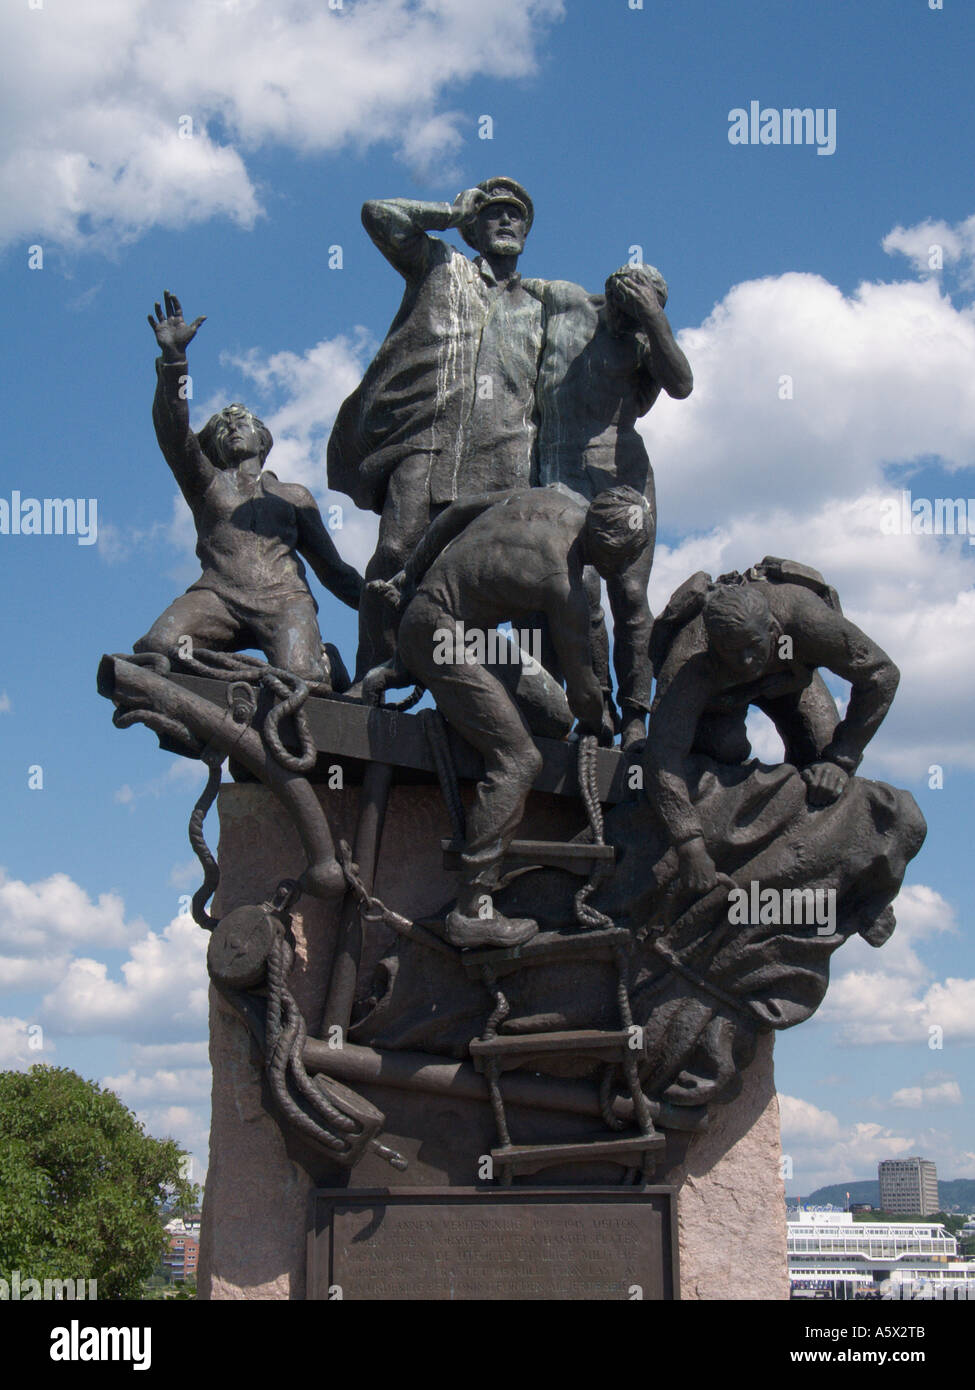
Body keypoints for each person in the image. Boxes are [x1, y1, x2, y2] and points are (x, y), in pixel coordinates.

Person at [361, 485, 653, 949]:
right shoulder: (564, 584)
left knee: (553, 718)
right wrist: (601, 727)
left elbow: (458, 508)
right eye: (621, 560)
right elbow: (583, 695)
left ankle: (409, 677)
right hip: (439, 632)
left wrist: (408, 577)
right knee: (519, 760)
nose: (619, 571)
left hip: (455, 627)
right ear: (607, 550)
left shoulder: (555, 498)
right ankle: (471, 910)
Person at [327, 178, 547, 677]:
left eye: (516, 215)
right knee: (397, 550)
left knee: (494, 587)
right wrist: (449, 212)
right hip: (429, 442)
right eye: (493, 213)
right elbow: (376, 211)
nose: (506, 221)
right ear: (474, 225)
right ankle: (373, 682)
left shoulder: (538, 307)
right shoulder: (439, 265)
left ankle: (499, 700)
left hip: (504, 461)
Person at [134, 292, 361, 683]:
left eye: (242, 422)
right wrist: (174, 362)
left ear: (263, 438)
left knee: (303, 678)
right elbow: (173, 434)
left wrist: (380, 601)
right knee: (160, 648)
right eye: (223, 425)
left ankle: (320, 664)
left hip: (285, 600)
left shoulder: (293, 496)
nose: (233, 427)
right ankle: (254, 683)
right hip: (218, 595)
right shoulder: (206, 483)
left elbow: (333, 570)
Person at [643, 561, 900, 895]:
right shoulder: (691, 662)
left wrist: (841, 759)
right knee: (725, 753)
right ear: (714, 645)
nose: (747, 661)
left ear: (772, 628)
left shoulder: (806, 621)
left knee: (824, 765)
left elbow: (881, 675)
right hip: (722, 701)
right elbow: (662, 757)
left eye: (754, 645)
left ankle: (840, 886)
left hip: (788, 680)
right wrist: (689, 842)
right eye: (734, 653)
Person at [533, 263, 693, 747]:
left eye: (648, 312)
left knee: (629, 595)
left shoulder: (647, 339)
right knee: (576, 587)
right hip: (560, 463)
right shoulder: (564, 301)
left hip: (622, 467)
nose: (635, 322)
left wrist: (653, 319)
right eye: (632, 308)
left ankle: (636, 714)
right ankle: (595, 703)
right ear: (611, 295)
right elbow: (509, 291)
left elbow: (682, 384)